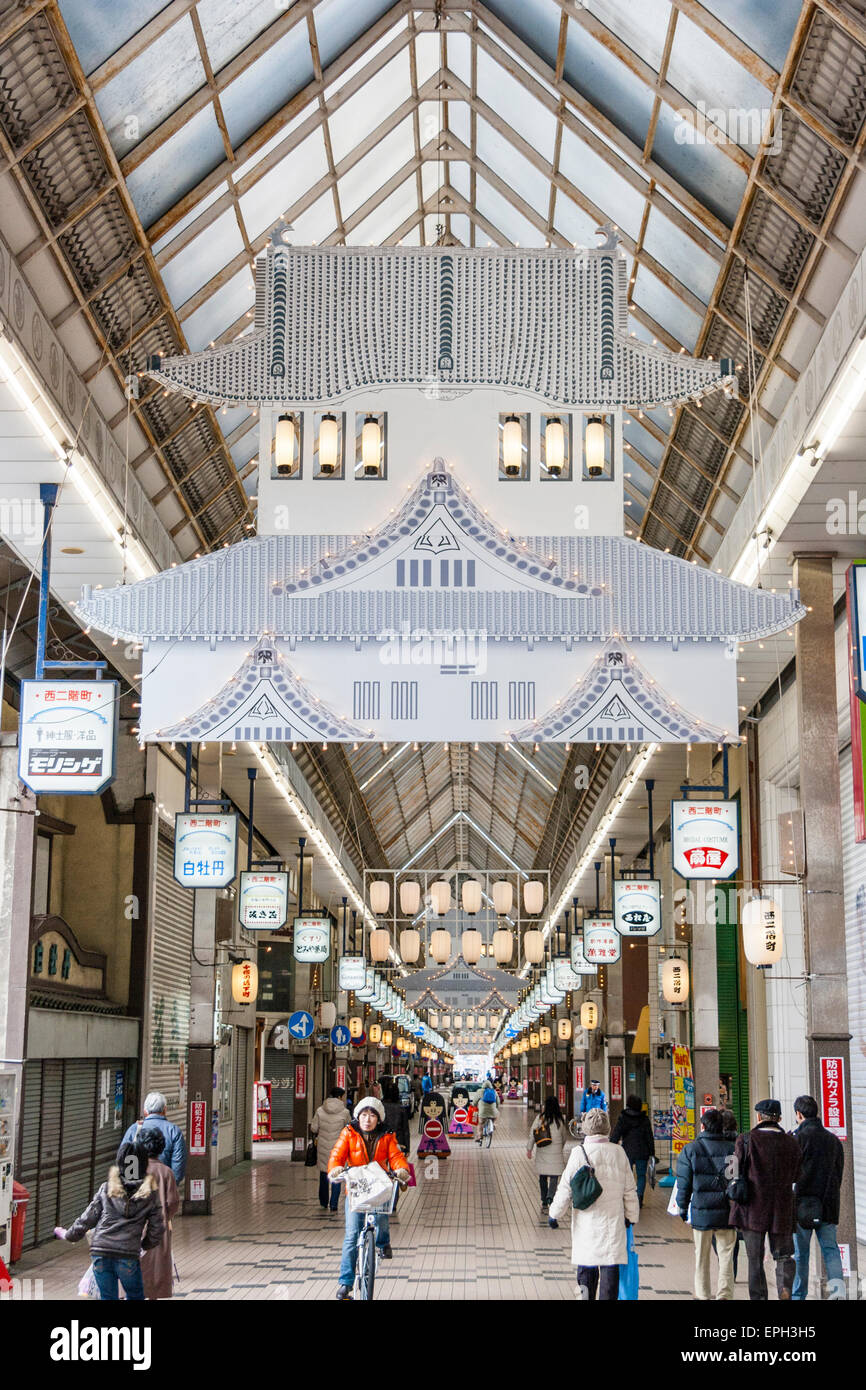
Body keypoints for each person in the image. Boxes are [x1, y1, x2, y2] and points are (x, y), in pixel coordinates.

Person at [54, 1141, 164, 1301]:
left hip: (101, 1251)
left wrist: (69, 1235)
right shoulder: (150, 1194)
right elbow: (157, 1229)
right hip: (128, 1254)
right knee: (135, 1296)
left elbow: (87, 1219)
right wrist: (143, 1245)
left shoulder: (106, 1188)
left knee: (107, 1297)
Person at [549, 1108, 639, 1300]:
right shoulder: (618, 1152)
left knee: (586, 1273)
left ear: (586, 1129)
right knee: (610, 1272)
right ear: (607, 1128)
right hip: (613, 1224)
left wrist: (554, 1214)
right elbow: (630, 1191)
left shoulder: (578, 1153)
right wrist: (632, 1216)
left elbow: (565, 1188)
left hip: (586, 1225)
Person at [328, 1096, 410, 1301]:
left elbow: (396, 1156)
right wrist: (336, 1169)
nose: (367, 1119)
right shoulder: (349, 1133)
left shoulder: (388, 1135)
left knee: (381, 1218)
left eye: (372, 1115)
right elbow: (337, 1155)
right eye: (364, 1115)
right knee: (352, 1235)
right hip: (356, 1188)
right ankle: (345, 1283)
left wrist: (401, 1170)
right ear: (358, 1116)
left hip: (378, 1186)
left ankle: (383, 1244)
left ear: (379, 1118)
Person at [729, 1099, 802, 1301]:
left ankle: (759, 1297)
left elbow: (734, 1172)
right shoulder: (792, 1142)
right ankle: (784, 1289)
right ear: (779, 1118)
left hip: (752, 1209)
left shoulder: (746, 1140)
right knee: (784, 1255)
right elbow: (798, 1175)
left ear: (759, 1117)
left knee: (755, 1258)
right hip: (783, 1208)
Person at [675, 1107, 737, 1300]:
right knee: (726, 1255)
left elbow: (683, 1184)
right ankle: (724, 1295)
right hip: (726, 1211)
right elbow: (733, 1180)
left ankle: (702, 1294)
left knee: (701, 1257)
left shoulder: (691, 1149)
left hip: (701, 1212)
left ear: (702, 1126)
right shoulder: (731, 1149)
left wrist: (682, 1208)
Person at [791, 1094, 845, 1299]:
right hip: (828, 1205)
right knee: (831, 1252)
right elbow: (838, 1173)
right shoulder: (833, 1141)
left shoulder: (798, 1139)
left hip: (802, 1205)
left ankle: (799, 1295)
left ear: (799, 1114)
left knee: (801, 1255)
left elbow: (791, 1173)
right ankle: (838, 1295)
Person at [137, 1124, 180, 1299]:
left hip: (132, 1229)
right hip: (157, 1230)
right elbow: (173, 1202)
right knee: (155, 1272)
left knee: (133, 1271)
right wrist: (164, 1217)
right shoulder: (166, 1172)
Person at [120, 1091, 186, 1184]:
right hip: (163, 1186)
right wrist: (171, 1185)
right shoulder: (174, 1131)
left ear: (145, 1111)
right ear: (164, 1110)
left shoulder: (134, 1129)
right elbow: (178, 1164)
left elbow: (123, 1156)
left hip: (137, 1188)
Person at [527, 1095, 569, 1222]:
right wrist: (559, 1148)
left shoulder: (540, 1118)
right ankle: (551, 1196)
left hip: (543, 1151)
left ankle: (544, 1201)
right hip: (555, 1152)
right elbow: (564, 1137)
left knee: (543, 1177)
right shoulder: (560, 1121)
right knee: (554, 1177)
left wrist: (529, 1149)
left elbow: (532, 1134)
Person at [311, 1086, 352, 1215]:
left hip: (323, 1147)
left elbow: (314, 1128)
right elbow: (349, 1128)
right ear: (340, 1097)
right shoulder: (345, 1112)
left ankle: (323, 1202)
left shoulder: (320, 1110)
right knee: (337, 1174)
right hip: (338, 1148)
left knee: (324, 1174)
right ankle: (333, 1204)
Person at [610, 1094, 655, 1206]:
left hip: (628, 1151)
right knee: (641, 1176)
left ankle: (628, 1198)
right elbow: (649, 1137)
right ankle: (639, 1198)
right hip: (642, 1151)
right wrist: (652, 1152)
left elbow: (617, 1133)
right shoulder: (644, 1119)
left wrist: (611, 1145)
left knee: (627, 1175)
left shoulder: (623, 1117)